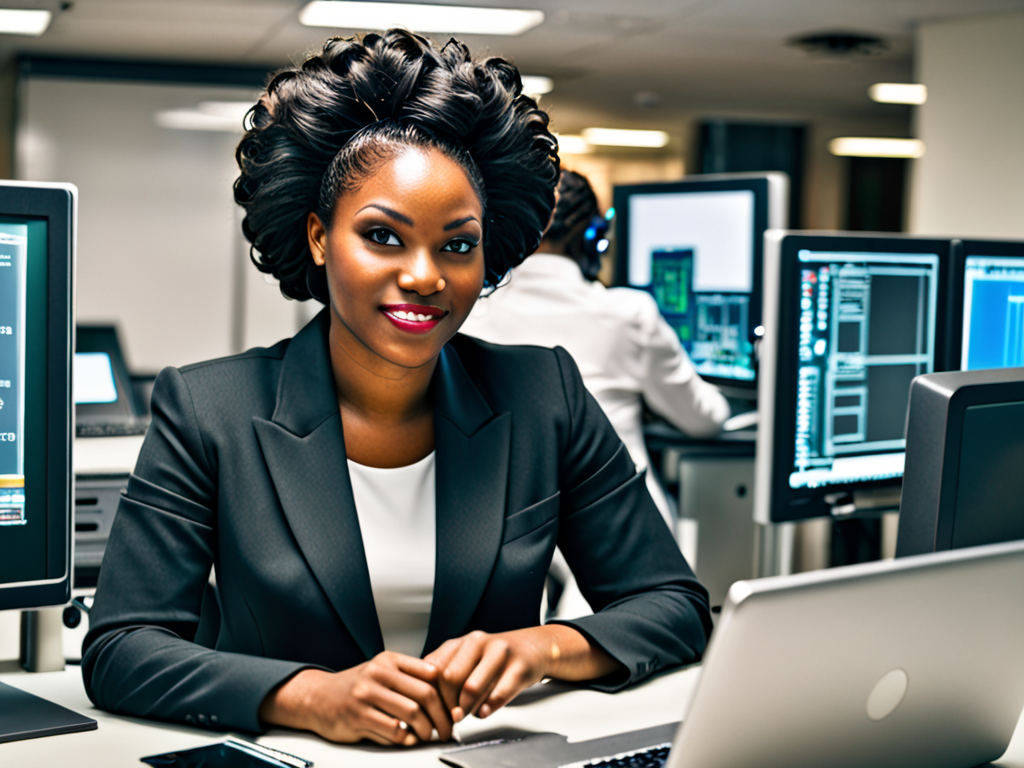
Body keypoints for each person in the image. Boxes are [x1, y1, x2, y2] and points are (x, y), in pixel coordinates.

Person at [81, 30, 712, 747]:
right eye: (384, 237)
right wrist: (308, 695)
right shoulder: (209, 410)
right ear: (320, 237)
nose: (425, 275)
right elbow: (122, 648)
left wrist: (543, 648)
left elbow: (674, 604)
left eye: (457, 244)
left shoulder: (544, 394)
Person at [462, 170, 731, 529]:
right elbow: (705, 419)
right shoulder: (628, 314)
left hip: (510, 528)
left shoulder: (471, 312)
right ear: (594, 239)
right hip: (618, 528)